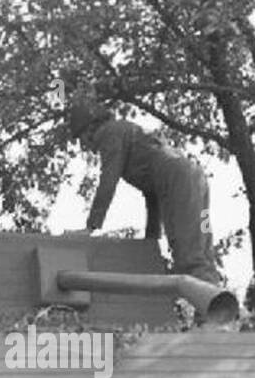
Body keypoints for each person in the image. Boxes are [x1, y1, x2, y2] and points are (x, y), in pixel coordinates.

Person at [66, 101, 222, 285]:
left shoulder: (109, 133)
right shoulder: (128, 131)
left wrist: (91, 226)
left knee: (189, 252)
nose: (82, 144)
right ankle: (215, 304)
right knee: (203, 244)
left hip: (179, 182)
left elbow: (108, 180)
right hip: (196, 178)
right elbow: (152, 192)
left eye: (80, 137)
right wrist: (151, 239)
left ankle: (209, 311)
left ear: (90, 128)